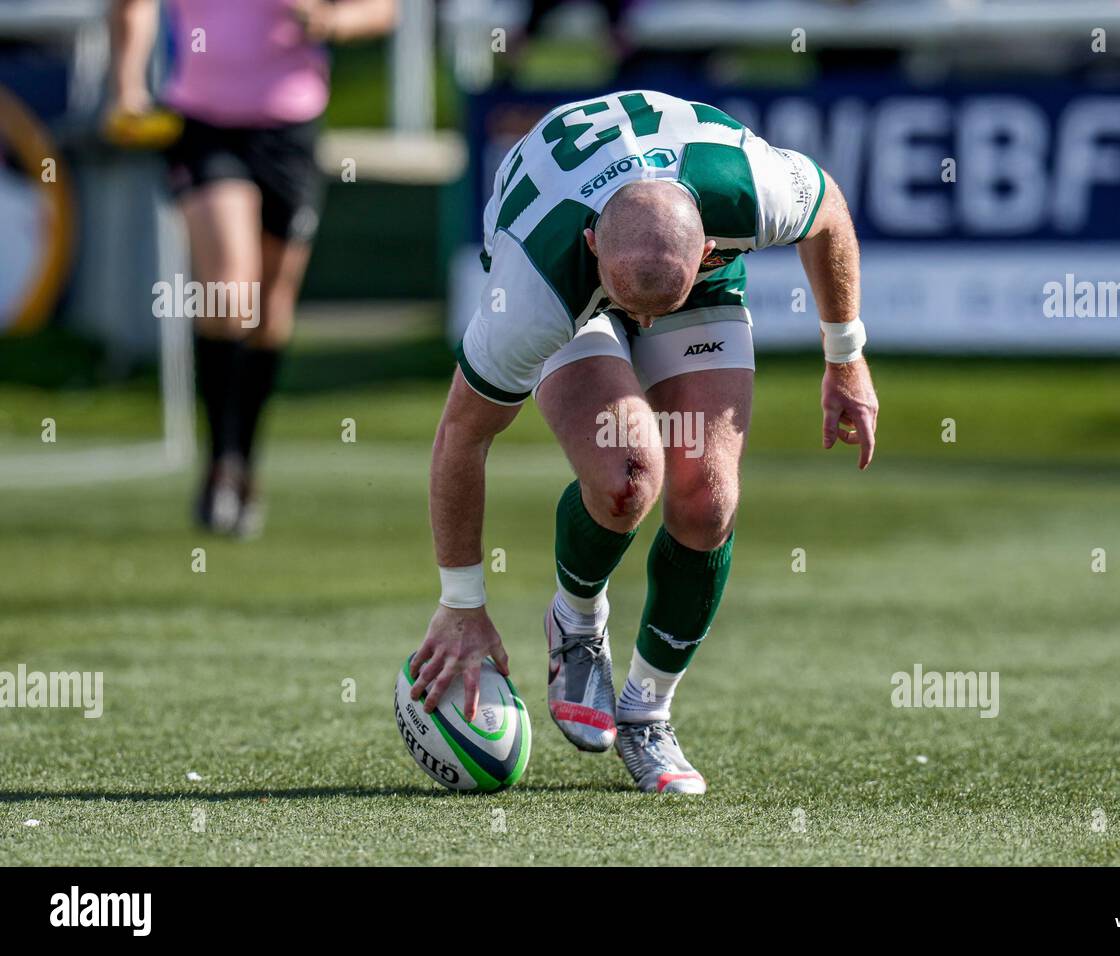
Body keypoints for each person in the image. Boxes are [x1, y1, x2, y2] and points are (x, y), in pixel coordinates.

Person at [409, 90, 880, 794]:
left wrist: (846, 355)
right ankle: (576, 618)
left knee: (708, 498)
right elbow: (461, 436)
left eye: (651, 311)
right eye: (630, 308)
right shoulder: (533, 288)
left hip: (673, 266)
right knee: (627, 476)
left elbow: (831, 212)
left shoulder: (752, 188)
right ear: (598, 246)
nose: (640, 324)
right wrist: (461, 605)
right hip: (566, 262)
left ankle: (649, 712)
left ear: (715, 246)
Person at [107, 0, 396, 536]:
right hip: (203, 125)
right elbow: (134, 6)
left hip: (290, 129)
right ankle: (219, 464)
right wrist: (127, 81)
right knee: (228, 292)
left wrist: (329, 21)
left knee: (270, 309)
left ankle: (244, 460)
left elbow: (382, 11)